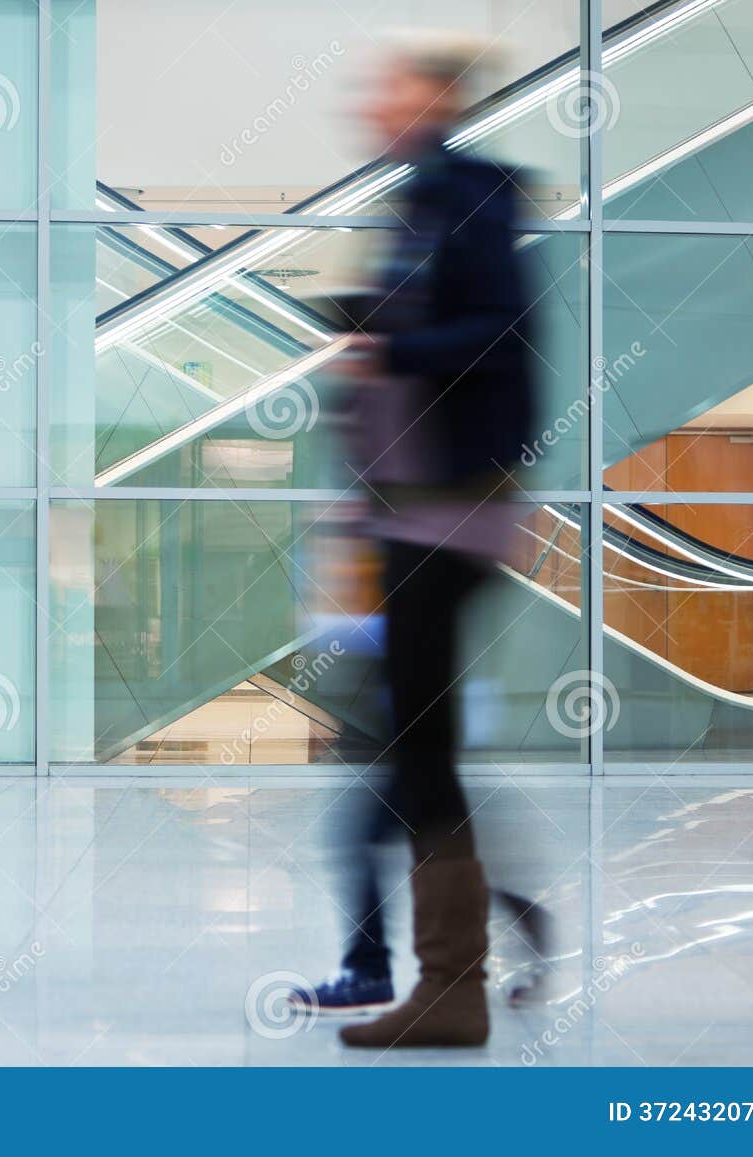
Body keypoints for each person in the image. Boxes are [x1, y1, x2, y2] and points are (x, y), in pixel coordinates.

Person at [293, 34, 541, 1047]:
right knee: (413, 745)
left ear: (438, 98)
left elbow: (494, 328)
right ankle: (460, 963)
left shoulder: (472, 195)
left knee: (414, 746)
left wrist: (383, 343)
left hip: (450, 512)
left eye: (390, 89)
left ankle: (449, 980)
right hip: (409, 510)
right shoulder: (418, 204)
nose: (373, 104)